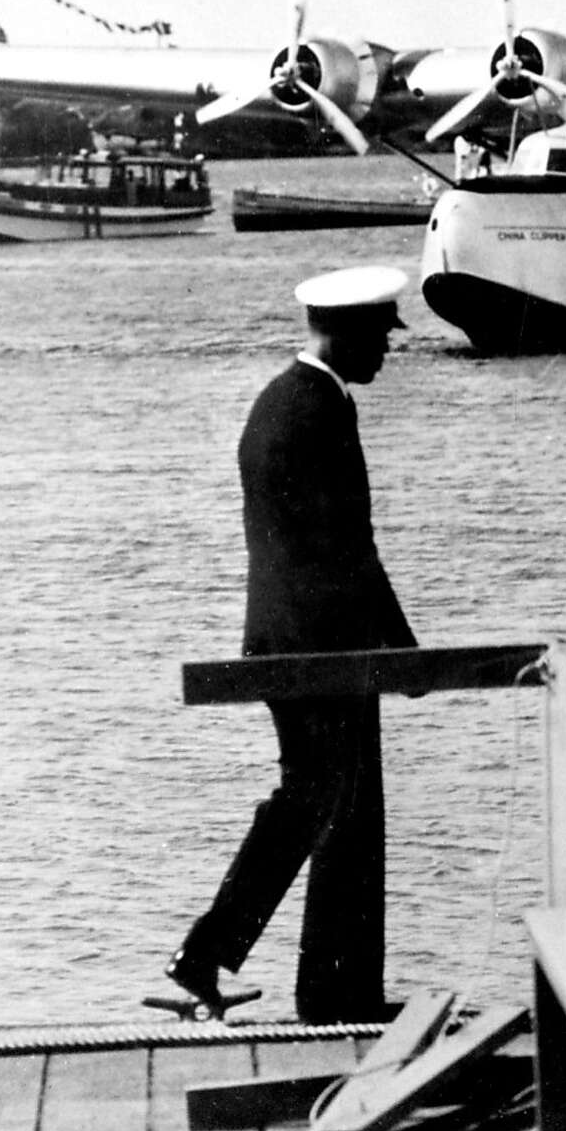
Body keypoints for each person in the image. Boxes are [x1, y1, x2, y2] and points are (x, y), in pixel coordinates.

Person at [166, 265, 419, 1023]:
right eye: (378, 334)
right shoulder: (316, 412)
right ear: (342, 331)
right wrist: (402, 650)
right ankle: (235, 961)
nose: (386, 349)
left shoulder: (285, 400)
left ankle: (330, 990)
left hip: (296, 641)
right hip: (317, 648)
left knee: (329, 801)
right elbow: (350, 548)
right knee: (328, 801)